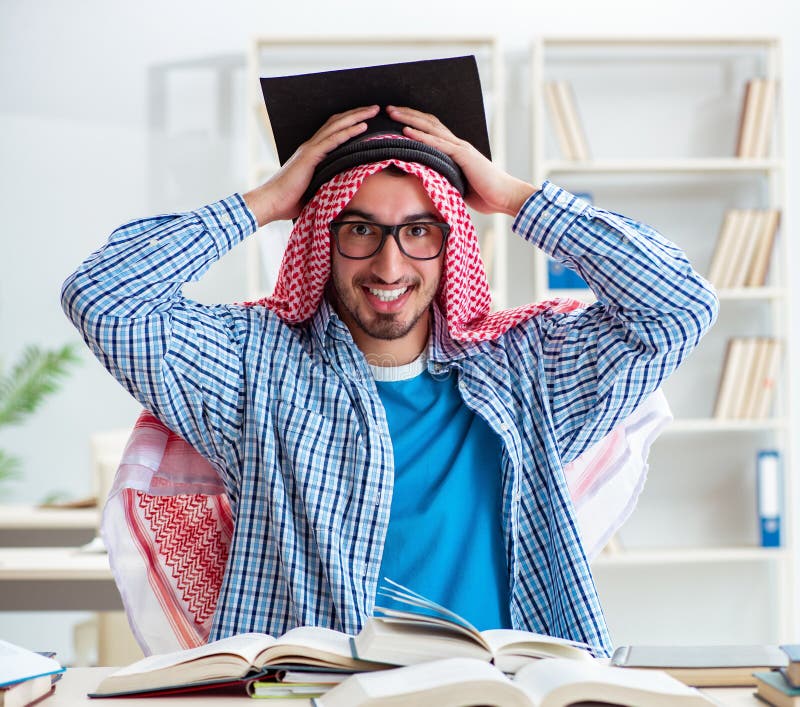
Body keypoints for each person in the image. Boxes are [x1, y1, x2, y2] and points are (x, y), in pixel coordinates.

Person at [62, 79, 718, 657]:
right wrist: (263, 201)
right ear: (320, 235)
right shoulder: (257, 369)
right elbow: (104, 298)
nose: (389, 265)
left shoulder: (528, 373)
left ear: (450, 240)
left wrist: (517, 197)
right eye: (360, 229)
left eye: (419, 230)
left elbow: (679, 306)